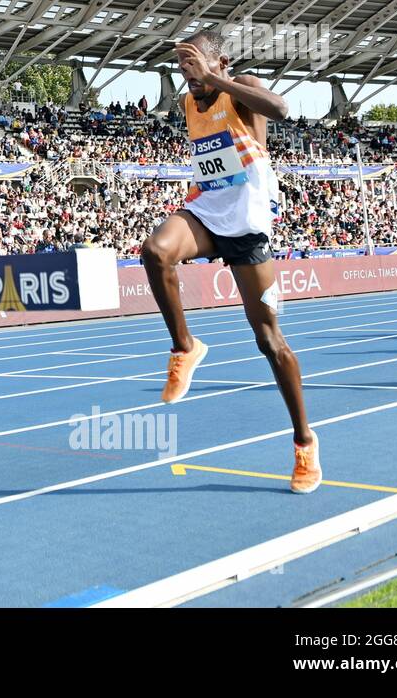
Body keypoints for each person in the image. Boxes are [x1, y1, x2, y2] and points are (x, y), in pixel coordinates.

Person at [140, 31, 320, 494]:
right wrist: (199, 82)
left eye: (195, 65)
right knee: (155, 251)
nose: (189, 76)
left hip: (248, 224)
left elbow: (280, 110)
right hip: (207, 210)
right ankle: (185, 347)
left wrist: (219, 81)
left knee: (268, 339)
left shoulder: (242, 84)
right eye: (182, 68)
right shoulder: (187, 105)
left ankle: (303, 441)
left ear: (221, 61)